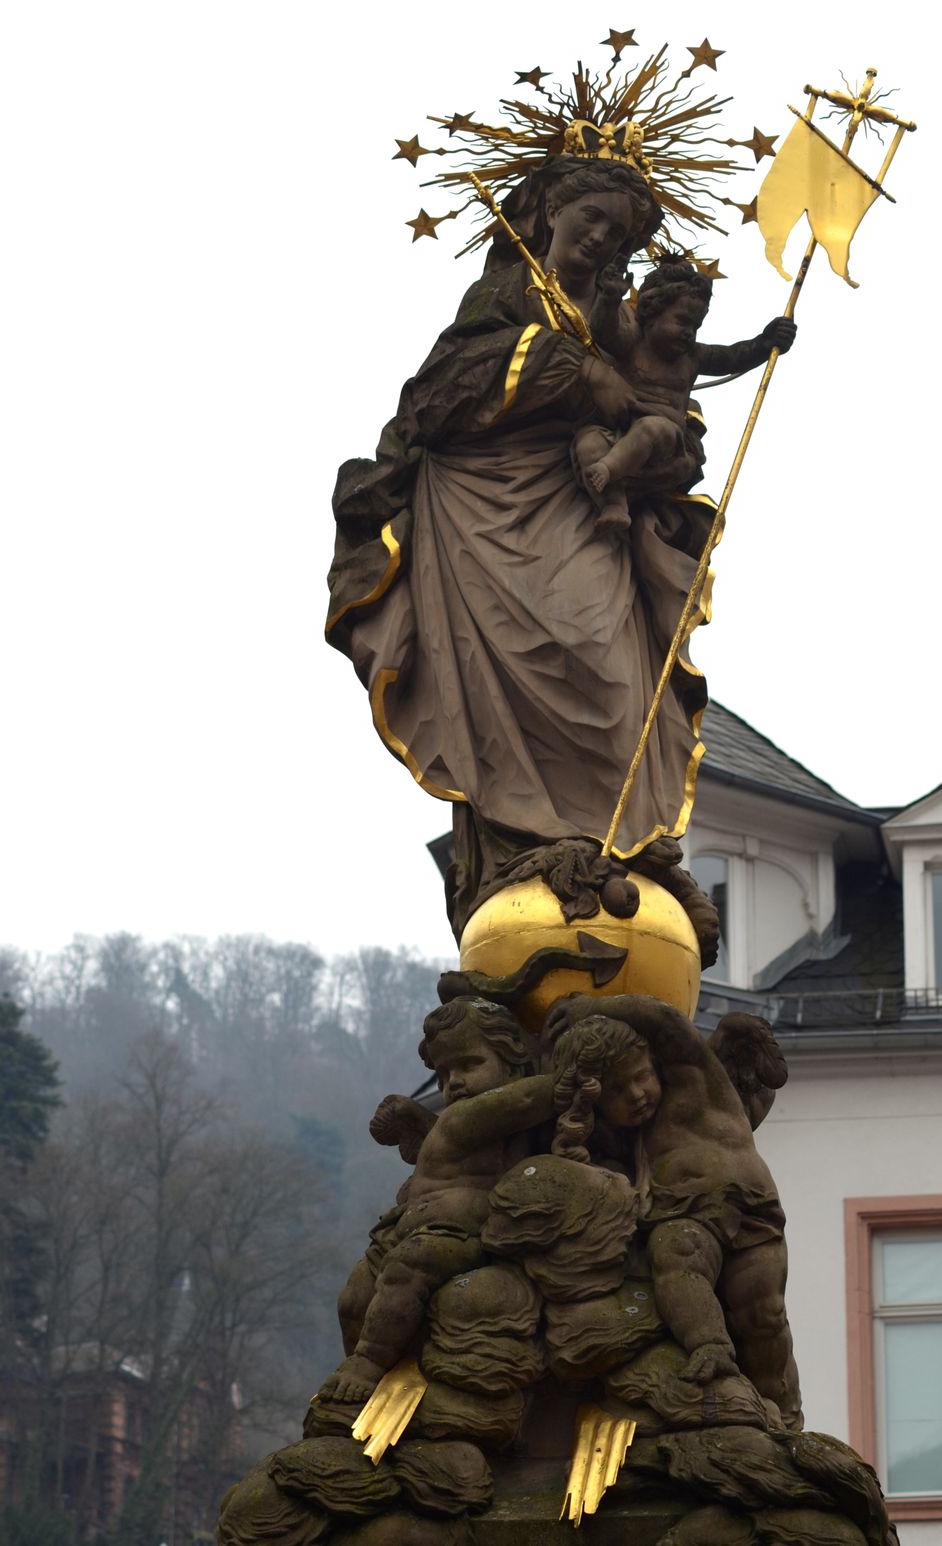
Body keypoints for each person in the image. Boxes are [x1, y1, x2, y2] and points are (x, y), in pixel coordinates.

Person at [326, 157, 717, 937]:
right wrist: (573, 373)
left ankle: (619, 852)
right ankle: (525, 856)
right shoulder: (505, 295)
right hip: (485, 524)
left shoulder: (621, 314)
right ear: (548, 214)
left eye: (618, 233)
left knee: (611, 683)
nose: (602, 239)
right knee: (498, 694)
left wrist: (662, 440)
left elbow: (666, 413)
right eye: (592, 220)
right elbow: (435, 398)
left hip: (589, 516)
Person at [547, 996, 802, 1430]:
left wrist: (593, 1007)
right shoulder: (628, 1140)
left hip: (749, 1208)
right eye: (617, 1093)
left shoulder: (695, 1078)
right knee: (674, 1253)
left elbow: (668, 1021)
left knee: (763, 1314)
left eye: (641, 1077)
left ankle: (785, 1412)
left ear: (652, 1060)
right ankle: (710, 1346)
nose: (636, 1094)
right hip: (687, 1219)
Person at [323, 997, 552, 1404]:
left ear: (514, 1062)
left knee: (408, 1270)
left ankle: (369, 1362)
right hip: (401, 1227)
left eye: (469, 1065)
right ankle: (369, 1372)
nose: (454, 1083)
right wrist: (410, 1117)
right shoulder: (460, 1120)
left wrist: (576, 1070)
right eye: (444, 1075)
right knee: (353, 1299)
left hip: (453, 1233)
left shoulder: (494, 1109)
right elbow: (444, 1145)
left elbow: (530, 1099)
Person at [576, 257, 797, 533]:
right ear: (651, 312)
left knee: (651, 428)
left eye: (695, 326)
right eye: (682, 321)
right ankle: (614, 503)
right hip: (618, 432)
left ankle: (608, 470)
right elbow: (603, 330)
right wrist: (610, 297)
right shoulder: (633, 342)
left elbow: (731, 357)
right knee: (587, 443)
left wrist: (765, 343)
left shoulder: (692, 356)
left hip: (666, 440)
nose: (689, 333)